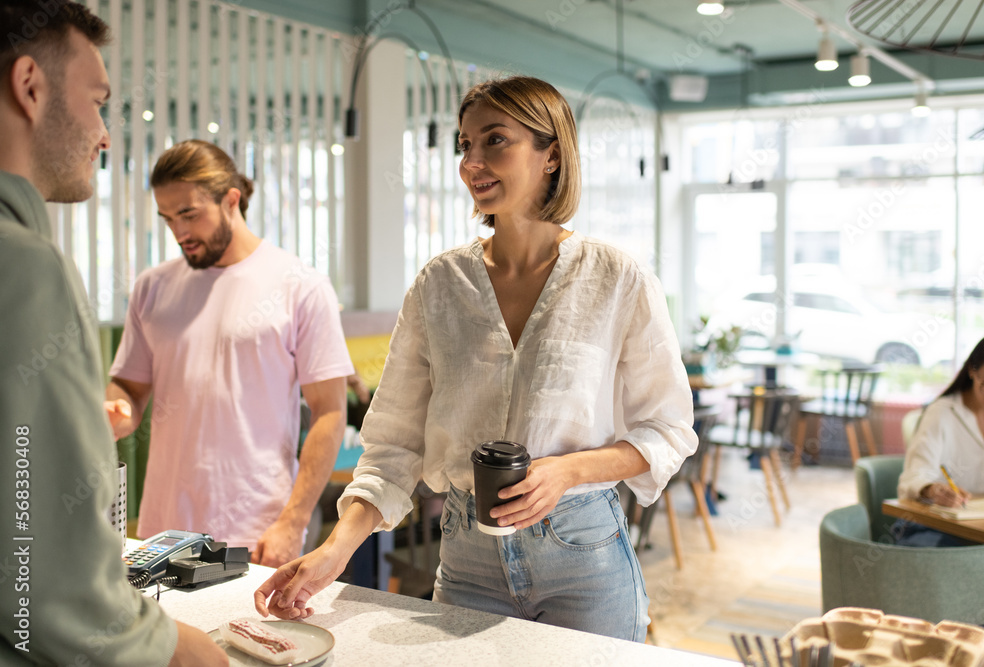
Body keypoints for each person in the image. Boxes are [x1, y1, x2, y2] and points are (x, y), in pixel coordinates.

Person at [254, 76, 697, 641]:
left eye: (495, 141)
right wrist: (334, 551)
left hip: (584, 559)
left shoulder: (616, 279)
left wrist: (567, 471)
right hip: (467, 563)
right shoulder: (439, 285)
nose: (472, 162)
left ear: (551, 155)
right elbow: (392, 445)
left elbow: (668, 429)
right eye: (465, 145)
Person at [0, 2, 224, 664]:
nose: (104, 133)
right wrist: (175, 649)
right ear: (31, 86)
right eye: (97, 101)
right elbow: (45, 586)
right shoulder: (28, 266)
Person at [105, 140, 355, 567]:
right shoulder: (153, 287)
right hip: (161, 530)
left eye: (189, 214)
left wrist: (292, 523)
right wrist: (113, 413)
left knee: (245, 637)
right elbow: (128, 389)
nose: (179, 232)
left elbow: (330, 413)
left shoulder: (300, 284)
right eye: (168, 218)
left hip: (255, 530)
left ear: (231, 200)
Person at [895, 331, 984, 546]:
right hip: (932, 526)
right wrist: (933, 490)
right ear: (972, 370)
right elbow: (912, 478)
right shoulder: (942, 414)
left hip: (983, 527)